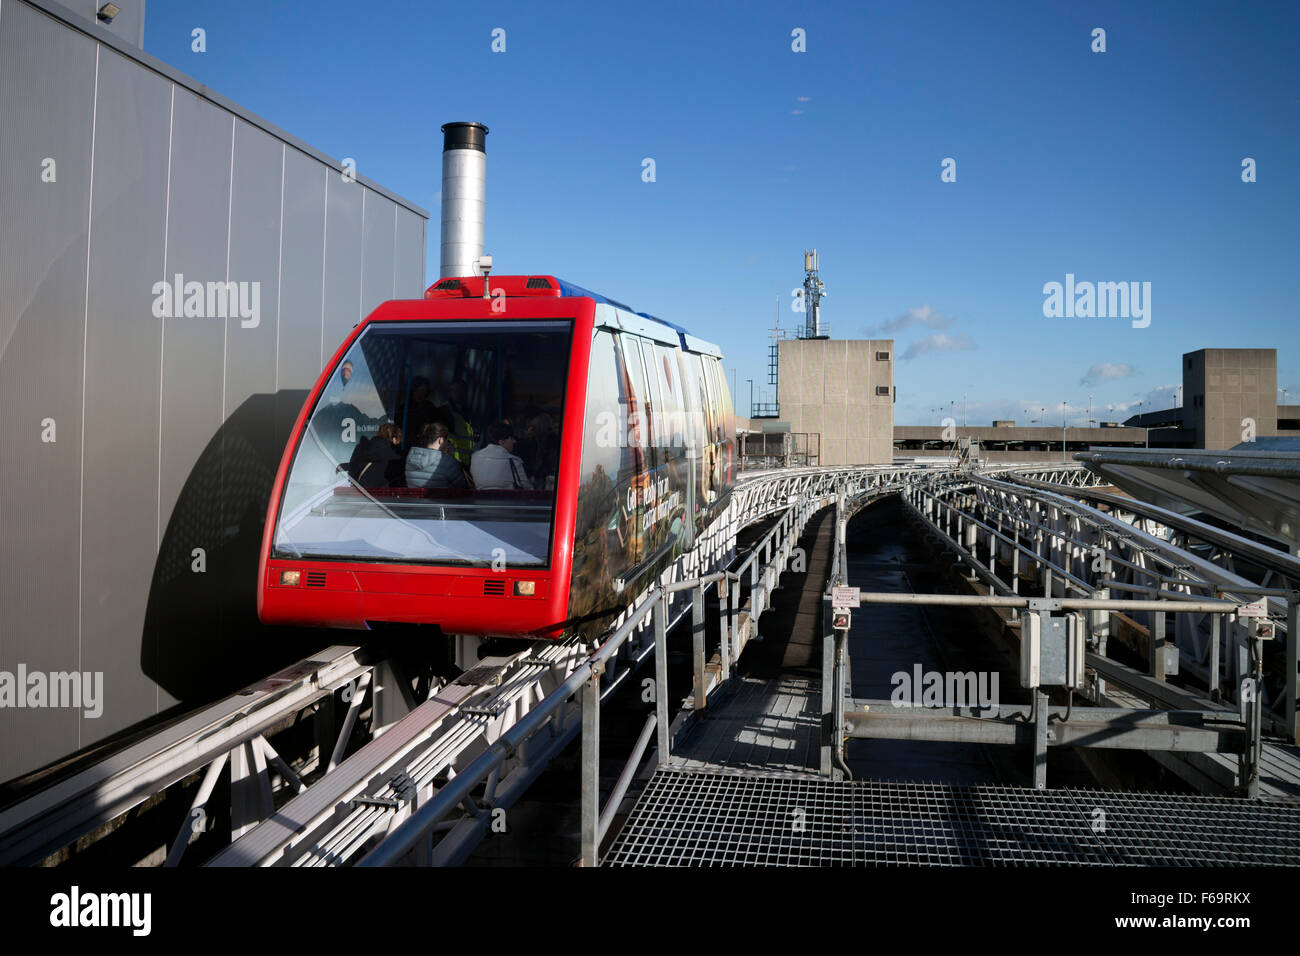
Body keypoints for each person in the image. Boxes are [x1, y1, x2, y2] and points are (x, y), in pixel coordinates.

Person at [406, 421, 468, 489]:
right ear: (441, 440)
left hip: (415, 499)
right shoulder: (448, 462)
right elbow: (462, 487)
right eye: (447, 441)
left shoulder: (410, 457)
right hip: (441, 499)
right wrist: (452, 459)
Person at [470, 422, 531, 490]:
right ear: (501, 442)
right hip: (506, 500)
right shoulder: (514, 461)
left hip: (479, 500)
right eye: (511, 438)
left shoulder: (474, 457)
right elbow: (526, 488)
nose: (514, 441)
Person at [346, 421, 403, 489]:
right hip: (376, 489)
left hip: (363, 486)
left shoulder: (369, 445)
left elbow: (356, 463)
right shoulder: (387, 450)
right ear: (394, 438)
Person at [435, 379, 477, 466]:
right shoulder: (442, 411)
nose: (459, 393)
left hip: (468, 461)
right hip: (451, 460)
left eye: (462, 390)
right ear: (450, 392)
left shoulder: (469, 412)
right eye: (456, 390)